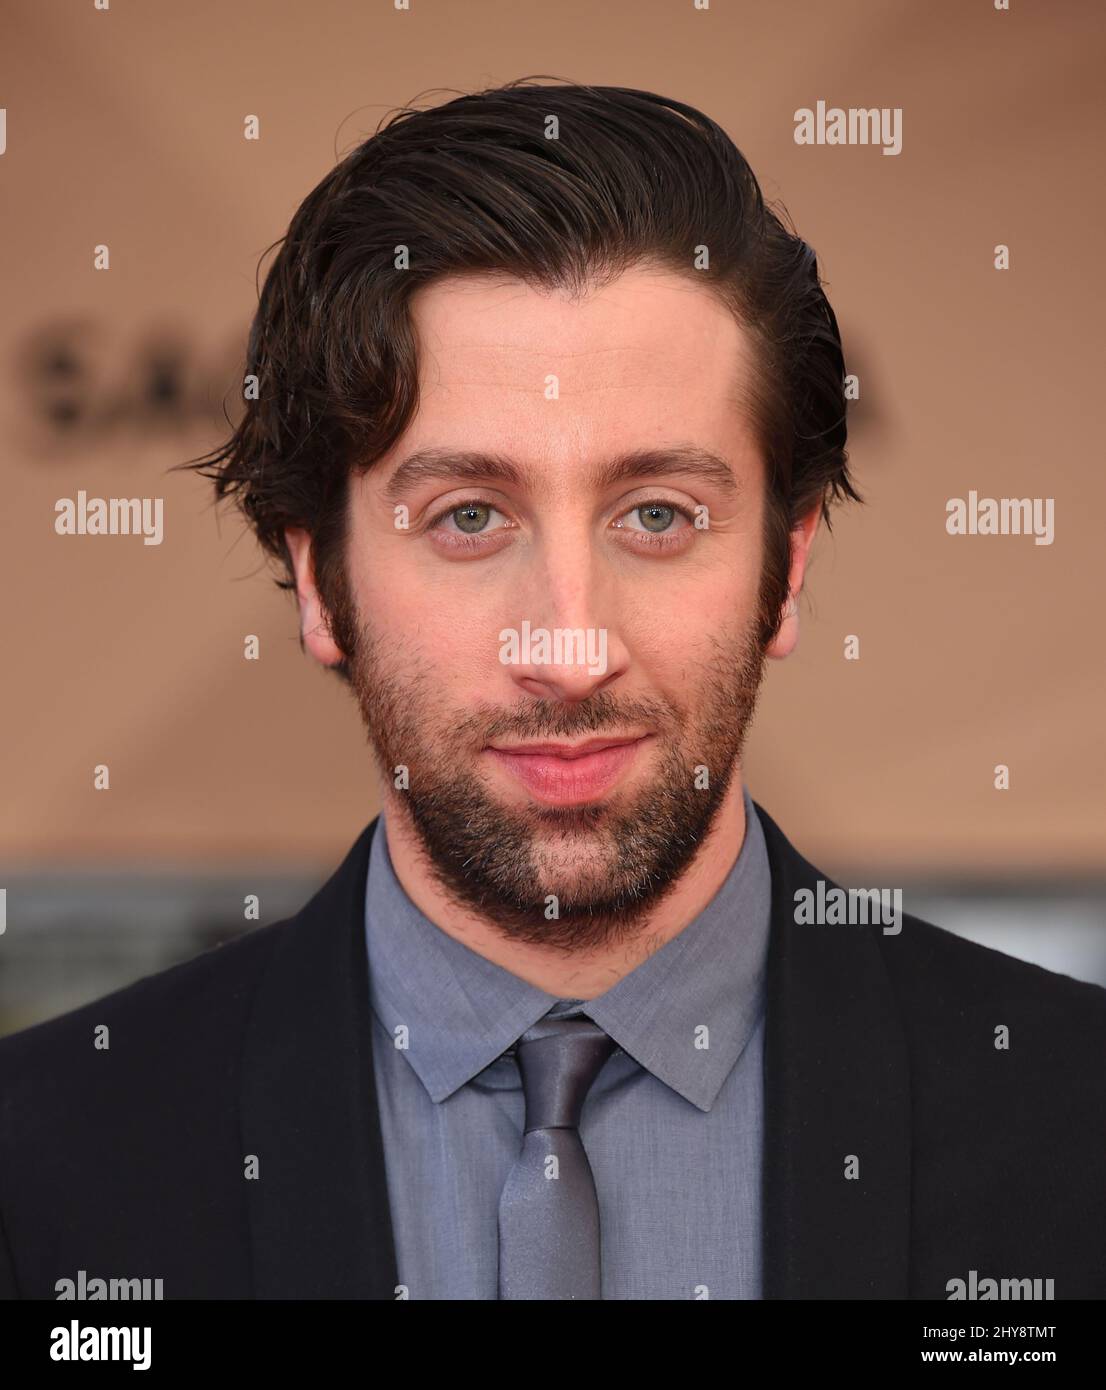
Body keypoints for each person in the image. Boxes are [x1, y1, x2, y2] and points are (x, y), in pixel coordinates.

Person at [1, 80, 1103, 1301]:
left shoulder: (1074, 1123)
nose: (568, 646)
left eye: (657, 516)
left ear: (784, 569)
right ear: (319, 583)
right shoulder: (45, 1165)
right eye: (468, 517)